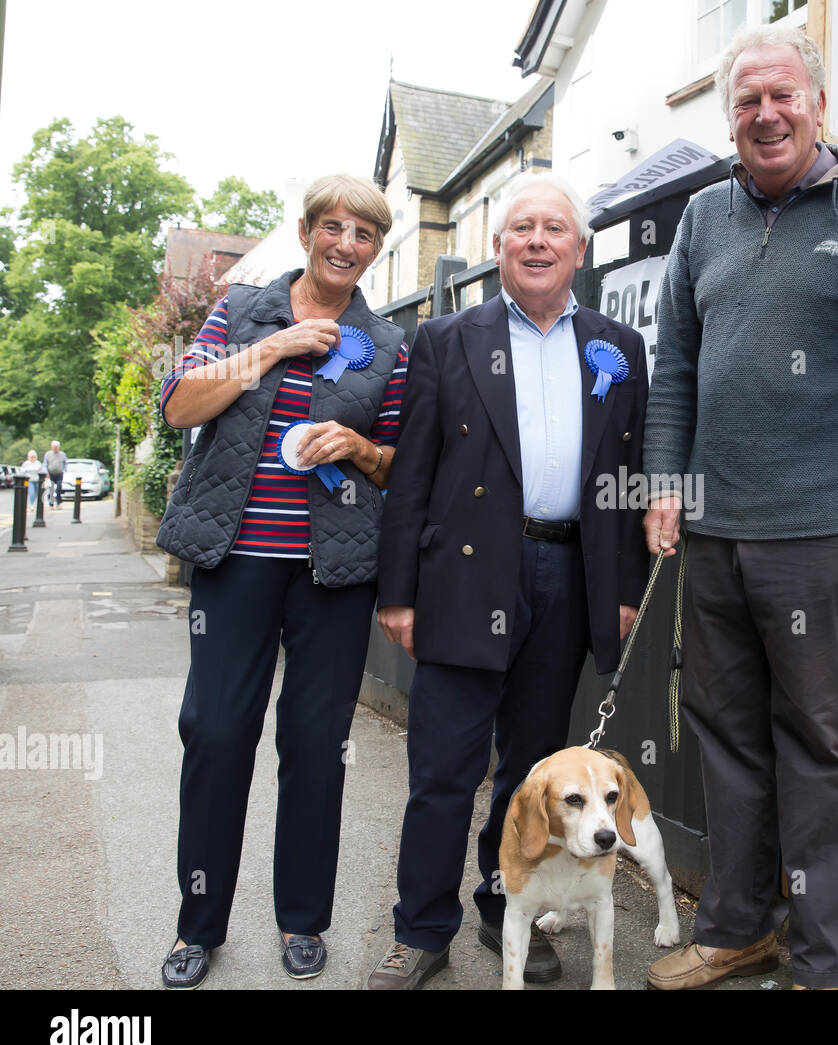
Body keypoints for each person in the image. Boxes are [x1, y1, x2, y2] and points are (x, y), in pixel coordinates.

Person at [641, 24, 838, 990]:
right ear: (729, 116)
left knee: (819, 748)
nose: (765, 115)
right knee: (725, 739)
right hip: (717, 534)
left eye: (783, 96)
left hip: (824, 533)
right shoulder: (701, 219)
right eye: (746, 101)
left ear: (819, 105)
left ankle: (821, 960)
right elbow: (676, 369)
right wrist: (663, 482)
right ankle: (736, 925)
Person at [368, 172, 648, 990]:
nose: (536, 240)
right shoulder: (446, 338)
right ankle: (420, 930)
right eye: (521, 227)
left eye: (553, 229)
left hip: (571, 574)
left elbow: (627, 475)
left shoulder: (618, 346)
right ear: (499, 248)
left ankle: (504, 911)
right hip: (467, 576)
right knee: (445, 767)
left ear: (578, 249)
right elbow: (410, 472)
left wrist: (624, 587)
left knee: (534, 768)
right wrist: (397, 590)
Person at [153, 174, 409, 989]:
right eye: (333, 226)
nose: (346, 244)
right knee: (218, 734)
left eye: (364, 234)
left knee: (316, 747)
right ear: (306, 232)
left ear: (376, 249)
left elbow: (403, 463)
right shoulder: (241, 310)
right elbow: (180, 405)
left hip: (332, 574)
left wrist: (360, 449)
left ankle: (303, 920)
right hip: (234, 565)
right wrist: (274, 348)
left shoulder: (392, 344)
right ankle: (198, 924)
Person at [43, 441, 67, 507]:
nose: (55, 448)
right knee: (51, 488)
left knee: (59, 487)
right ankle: (51, 503)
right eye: (54, 447)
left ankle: (58, 502)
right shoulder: (48, 454)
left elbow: (65, 463)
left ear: (58, 447)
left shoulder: (62, 454)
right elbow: (45, 464)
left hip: (59, 473)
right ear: (52, 447)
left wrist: (65, 470)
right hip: (51, 473)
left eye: (56, 447)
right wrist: (46, 472)